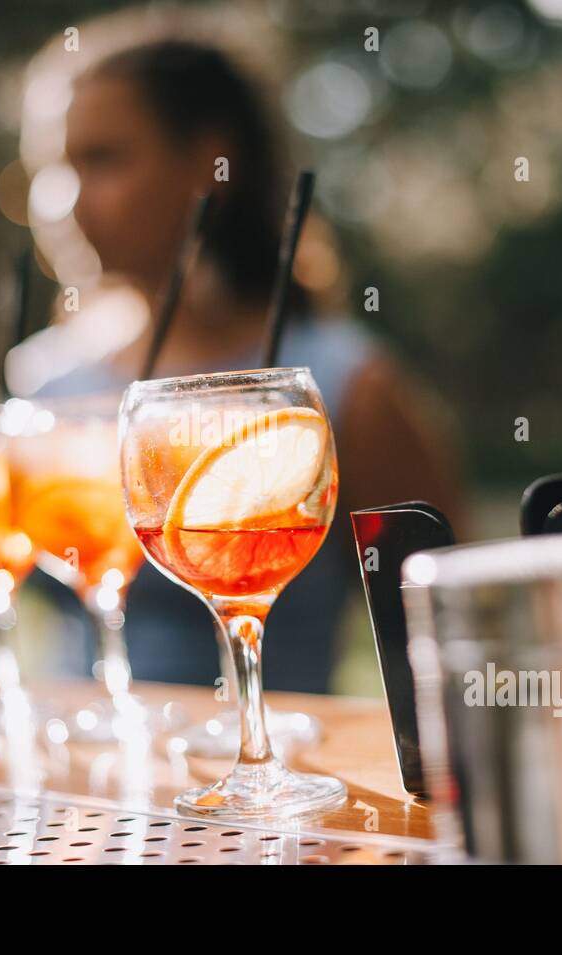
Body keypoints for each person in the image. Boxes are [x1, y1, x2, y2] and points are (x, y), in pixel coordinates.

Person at [27, 37, 467, 693]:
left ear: (210, 164)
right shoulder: (48, 381)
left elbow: (448, 620)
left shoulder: (345, 386)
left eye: (104, 159)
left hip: (275, 770)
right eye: (58, 166)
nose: (66, 201)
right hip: (74, 771)